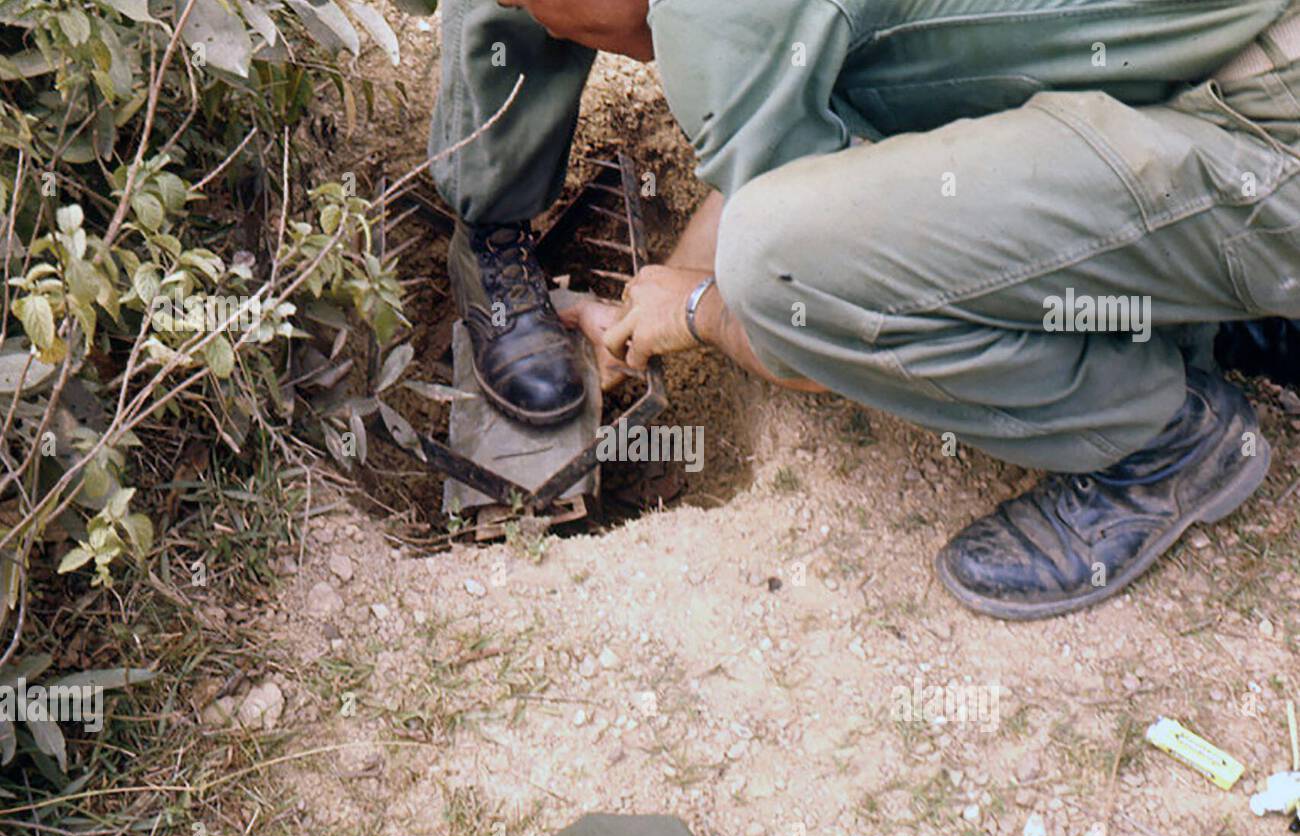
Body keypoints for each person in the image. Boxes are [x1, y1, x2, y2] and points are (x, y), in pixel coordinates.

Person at [429, 0, 1300, 620]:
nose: (541, 30)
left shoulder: (712, 20)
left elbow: (799, 308)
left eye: (532, 6)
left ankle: (1166, 433)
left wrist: (700, 310)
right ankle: (1214, 306)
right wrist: (671, 282)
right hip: (1214, 49)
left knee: (775, 267)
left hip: (1266, 141)